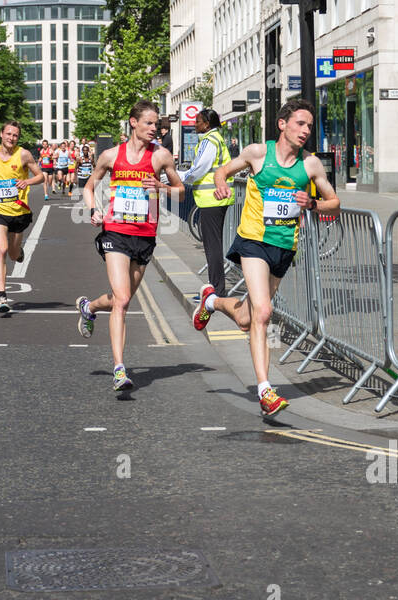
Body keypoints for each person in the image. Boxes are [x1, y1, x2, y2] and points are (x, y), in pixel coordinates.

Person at [192, 98, 341, 418]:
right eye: (300, 123)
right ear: (282, 124)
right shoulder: (259, 153)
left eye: (310, 126)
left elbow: (335, 203)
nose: (306, 130)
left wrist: (312, 205)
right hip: (253, 241)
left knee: (248, 318)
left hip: (285, 246)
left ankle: (211, 302)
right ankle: (265, 389)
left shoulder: (311, 165)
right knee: (263, 311)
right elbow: (223, 171)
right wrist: (220, 185)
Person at [75, 100, 184, 392]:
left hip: (145, 234)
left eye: (157, 124)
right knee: (122, 300)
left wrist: (161, 188)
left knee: (120, 299)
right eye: (149, 123)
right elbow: (88, 185)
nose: (155, 128)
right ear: (133, 122)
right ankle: (120, 369)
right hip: (116, 231)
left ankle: (89, 306)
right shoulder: (111, 156)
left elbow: (181, 192)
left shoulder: (162, 157)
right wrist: (93, 209)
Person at [0, 120, 44, 314]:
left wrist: (27, 181)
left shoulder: (23, 154)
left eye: (15, 135)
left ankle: (19, 252)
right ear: (1, 134)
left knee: (14, 254)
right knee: (2, 249)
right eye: (8, 134)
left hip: (18, 212)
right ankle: (2, 297)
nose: (11, 138)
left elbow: (41, 176)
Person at [181, 109, 233, 301]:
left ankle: (216, 291)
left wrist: (178, 178)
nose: (195, 125)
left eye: (198, 121)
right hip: (216, 198)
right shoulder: (217, 138)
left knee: (212, 247)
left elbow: (199, 169)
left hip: (212, 198)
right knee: (214, 245)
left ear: (207, 124)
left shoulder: (208, 141)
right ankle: (215, 288)